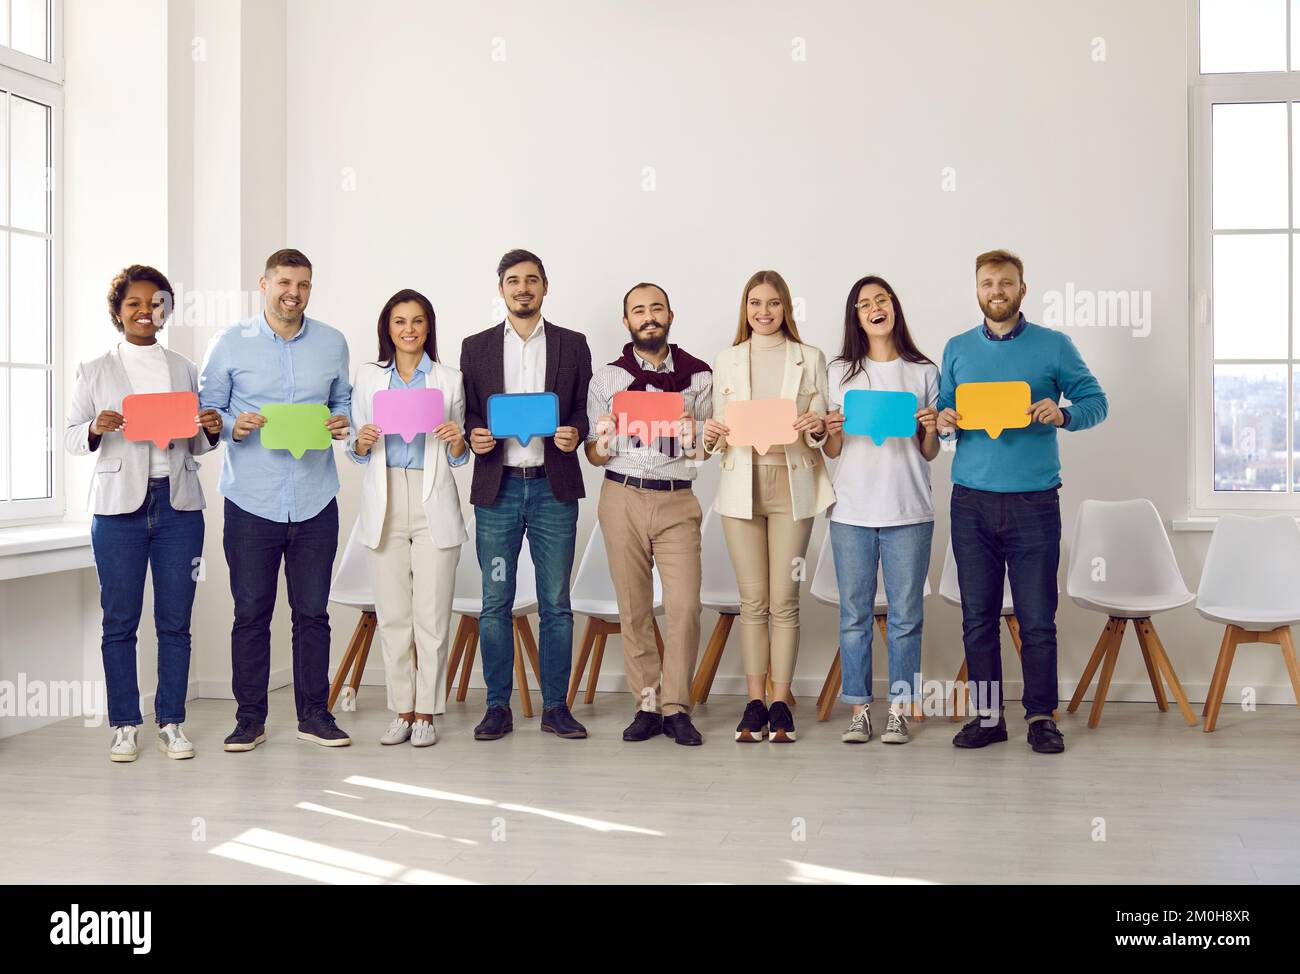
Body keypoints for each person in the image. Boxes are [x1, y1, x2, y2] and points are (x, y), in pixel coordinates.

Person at [936, 249, 1108, 754]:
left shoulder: (1054, 346)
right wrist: (944, 420)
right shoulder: (957, 348)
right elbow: (947, 408)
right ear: (977, 290)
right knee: (977, 618)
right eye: (987, 283)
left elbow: (1097, 401)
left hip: (1034, 502)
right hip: (970, 502)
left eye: (1006, 283)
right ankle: (988, 718)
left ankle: (1040, 717)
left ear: (1022, 290)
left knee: (1037, 617)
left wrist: (1064, 413)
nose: (996, 291)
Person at [65, 264, 222, 762]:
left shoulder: (184, 368)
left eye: (156, 303)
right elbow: (70, 438)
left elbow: (196, 443)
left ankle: (172, 722)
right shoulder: (94, 370)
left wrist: (211, 427)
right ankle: (125, 724)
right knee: (120, 621)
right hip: (117, 511)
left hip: (178, 505)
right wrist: (95, 426)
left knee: (175, 621)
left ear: (167, 309)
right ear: (118, 310)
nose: (145, 311)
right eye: (134, 302)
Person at [199, 248, 354, 751]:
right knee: (250, 613)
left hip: (314, 499)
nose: (294, 292)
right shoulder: (228, 343)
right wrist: (229, 425)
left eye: (304, 284)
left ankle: (315, 714)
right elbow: (208, 410)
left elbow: (343, 402)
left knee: (313, 613)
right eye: (285, 282)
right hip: (251, 501)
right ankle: (249, 719)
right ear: (263, 284)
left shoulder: (332, 343)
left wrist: (340, 422)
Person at [460, 249, 592, 741]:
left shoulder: (572, 344)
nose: (522, 288)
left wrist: (574, 433)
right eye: (513, 281)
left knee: (555, 601)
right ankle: (497, 705)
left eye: (531, 280)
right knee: (496, 600)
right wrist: (475, 433)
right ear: (501, 289)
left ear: (544, 287)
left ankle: (556, 706)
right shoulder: (474, 348)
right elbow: (470, 413)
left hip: (552, 488)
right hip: (498, 491)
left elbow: (581, 408)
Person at [701, 270, 834, 743]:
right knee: (752, 601)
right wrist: (711, 435)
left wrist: (816, 425)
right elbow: (716, 431)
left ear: (786, 307)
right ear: (745, 308)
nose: (764, 311)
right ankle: (754, 702)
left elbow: (821, 431)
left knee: (784, 599)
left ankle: (782, 702)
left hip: (793, 486)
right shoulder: (728, 360)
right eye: (755, 303)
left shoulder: (810, 358)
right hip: (741, 488)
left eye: (773, 303)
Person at [586, 282, 713, 746]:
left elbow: (705, 454)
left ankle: (677, 706)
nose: (648, 316)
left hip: (678, 497)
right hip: (621, 496)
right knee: (634, 607)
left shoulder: (701, 378)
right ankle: (646, 702)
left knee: (684, 606)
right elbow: (593, 455)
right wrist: (603, 439)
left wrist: (695, 432)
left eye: (656, 308)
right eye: (638, 310)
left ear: (671, 315)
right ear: (627, 322)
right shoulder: (607, 380)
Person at [348, 289, 469, 747]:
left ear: (428, 327)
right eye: (400, 322)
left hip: (431, 495)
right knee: (394, 615)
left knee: (432, 617)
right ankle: (401, 709)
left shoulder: (448, 379)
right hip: (385, 500)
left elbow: (458, 458)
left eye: (418, 321)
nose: (409, 330)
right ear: (388, 329)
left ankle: (427, 712)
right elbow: (356, 452)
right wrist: (360, 441)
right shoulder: (367, 377)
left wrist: (456, 440)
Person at [823, 276, 939, 746]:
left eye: (882, 300)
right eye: (864, 303)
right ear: (856, 316)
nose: (875, 308)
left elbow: (930, 452)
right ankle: (859, 710)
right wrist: (830, 427)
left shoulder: (924, 370)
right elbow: (833, 449)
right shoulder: (840, 372)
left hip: (909, 509)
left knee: (906, 616)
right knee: (854, 615)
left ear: (894, 308)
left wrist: (929, 428)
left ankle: (899, 710)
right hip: (851, 509)